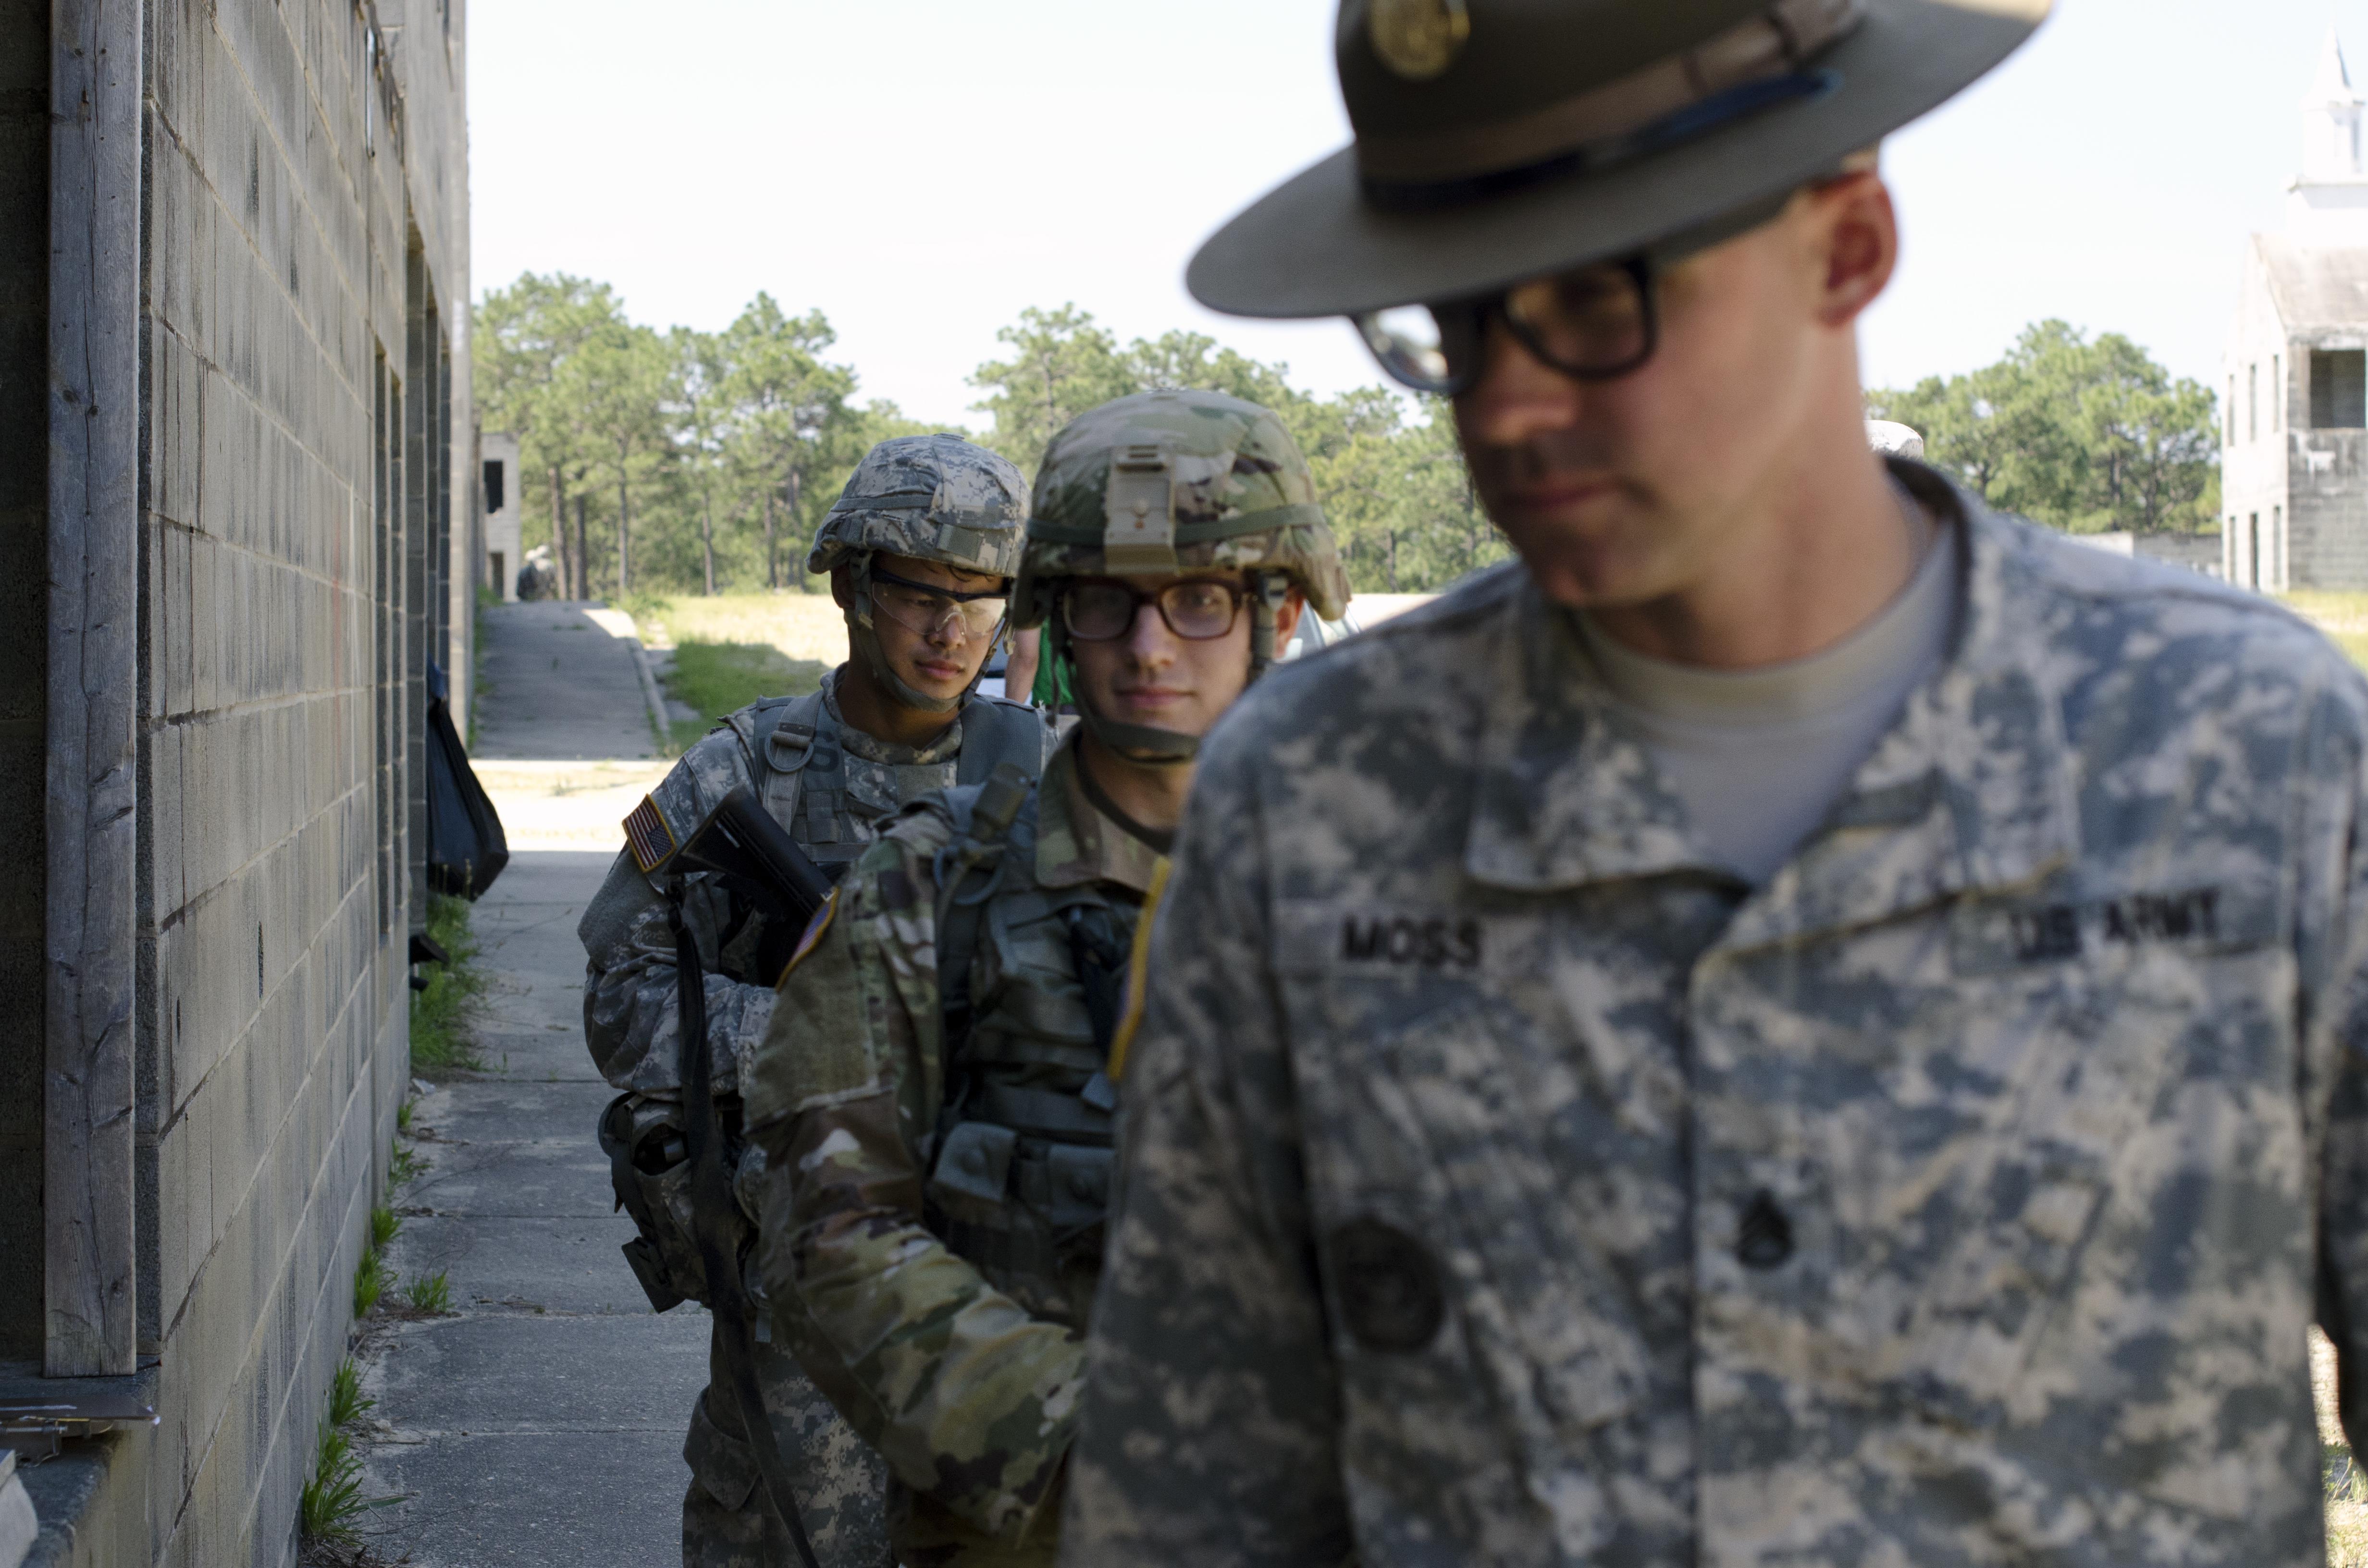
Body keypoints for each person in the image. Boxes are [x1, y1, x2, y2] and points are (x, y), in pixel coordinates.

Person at [1063, 2, 2368, 1565]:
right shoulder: (1316, 803)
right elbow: (1190, 1492)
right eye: (1455, 323)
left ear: (1844, 243)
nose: (1504, 404)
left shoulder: (2239, 747)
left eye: (1592, 296)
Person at [739, 390, 1349, 1567]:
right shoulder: (931, 888)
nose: (1150, 646)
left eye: (1202, 601)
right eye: (1108, 604)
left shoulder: (1395, 892)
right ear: (1060, 617)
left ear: (1274, 614)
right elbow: (829, 1238)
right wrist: (1105, 1445)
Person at [578, 434, 1054, 1568]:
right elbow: (623, 1002)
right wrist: (831, 1026)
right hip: (805, 1299)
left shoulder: (1054, 784)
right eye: (924, 597)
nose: (953, 633)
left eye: (983, 601)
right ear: (850, 585)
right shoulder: (746, 774)